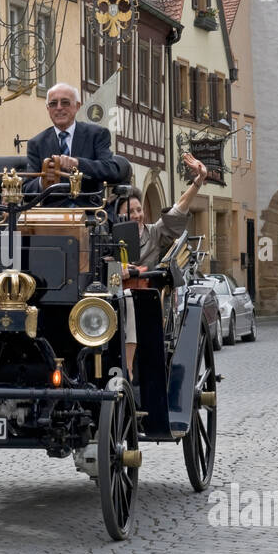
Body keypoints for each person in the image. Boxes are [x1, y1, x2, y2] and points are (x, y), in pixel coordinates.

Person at [117, 152, 209, 382]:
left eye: (139, 210)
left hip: (145, 300)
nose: (137, 215)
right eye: (130, 212)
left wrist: (198, 182)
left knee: (130, 299)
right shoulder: (109, 238)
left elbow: (178, 210)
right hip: (114, 300)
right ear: (118, 217)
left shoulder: (155, 233)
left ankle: (129, 367)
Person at [23, 83, 120, 203]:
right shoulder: (37, 143)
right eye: (53, 104)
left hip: (89, 209)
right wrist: (42, 182)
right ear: (48, 109)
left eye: (65, 102)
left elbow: (111, 170)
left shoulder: (96, 134)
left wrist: (78, 164)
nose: (59, 108)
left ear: (77, 106)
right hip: (53, 212)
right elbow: (26, 191)